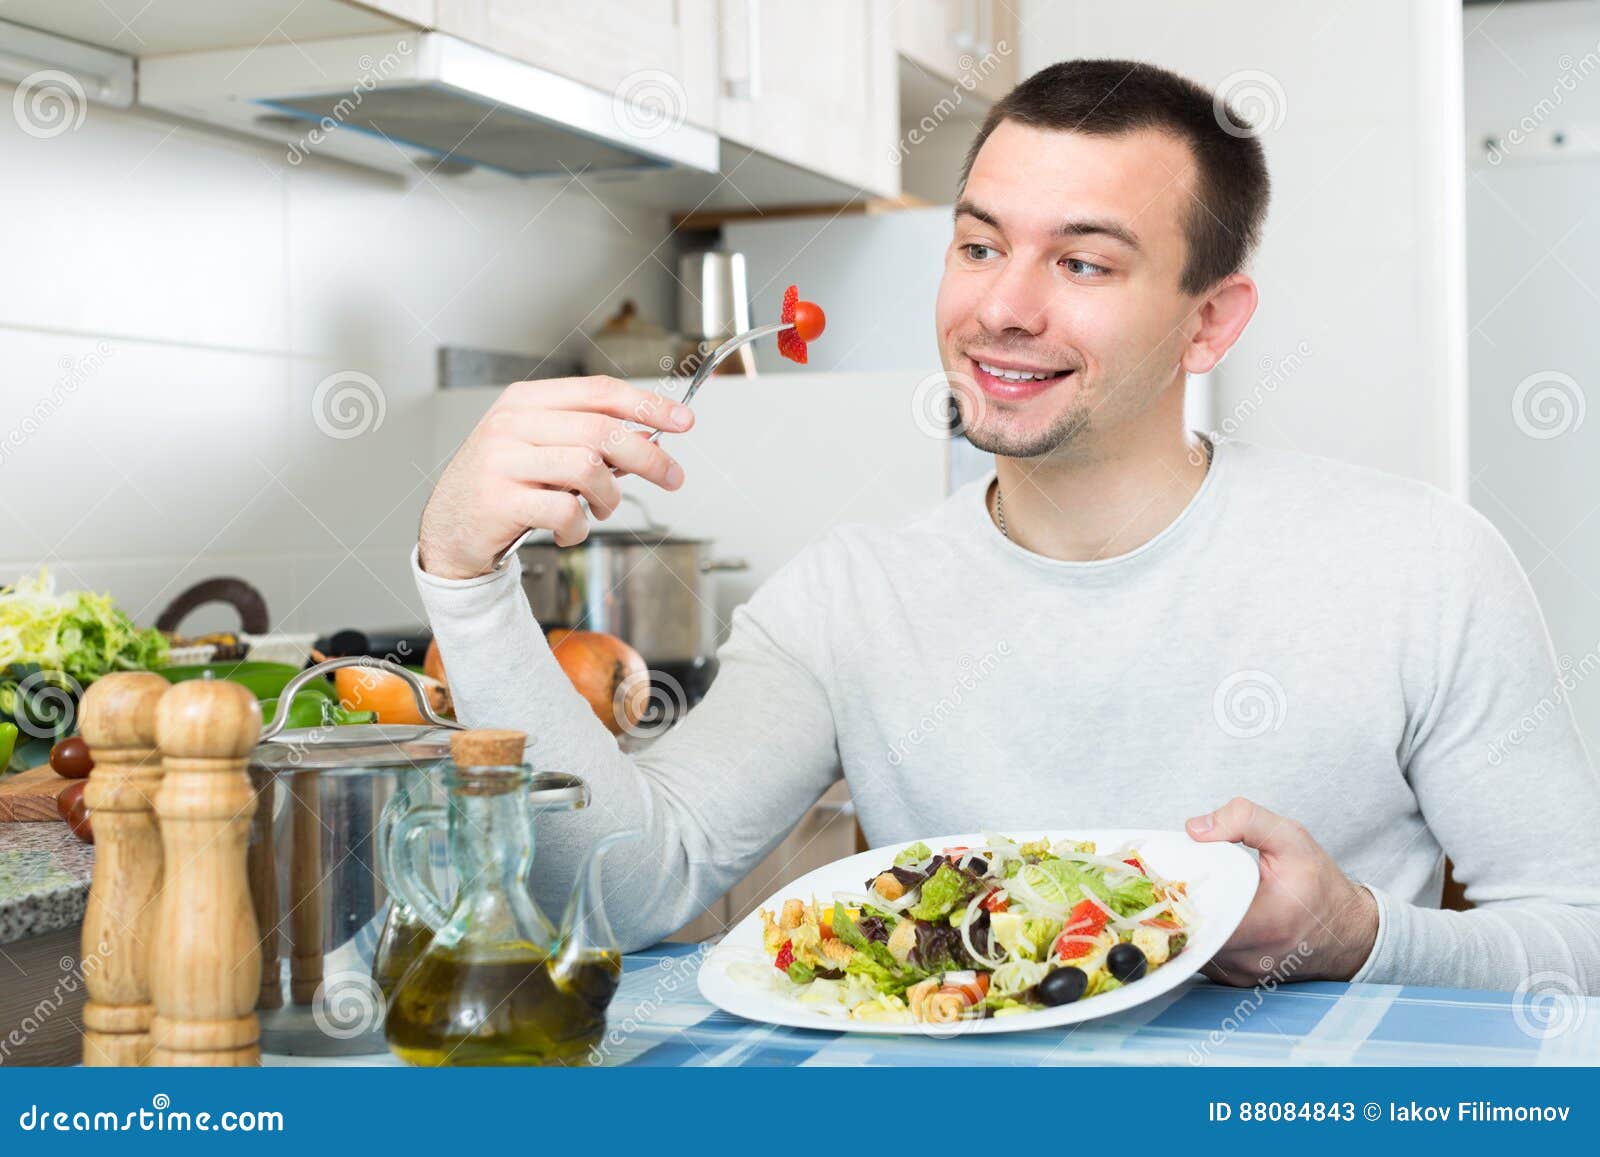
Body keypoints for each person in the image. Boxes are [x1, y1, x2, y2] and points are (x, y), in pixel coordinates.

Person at [412, 59, 1600, 992]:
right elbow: (620, 890)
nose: (1001, 307)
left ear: (1209, 321)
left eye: (1082, 262)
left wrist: (1356, 932)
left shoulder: (1417, 565)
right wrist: (467, 575)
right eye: (978, 245)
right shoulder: (847, 598)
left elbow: (1579, 943)